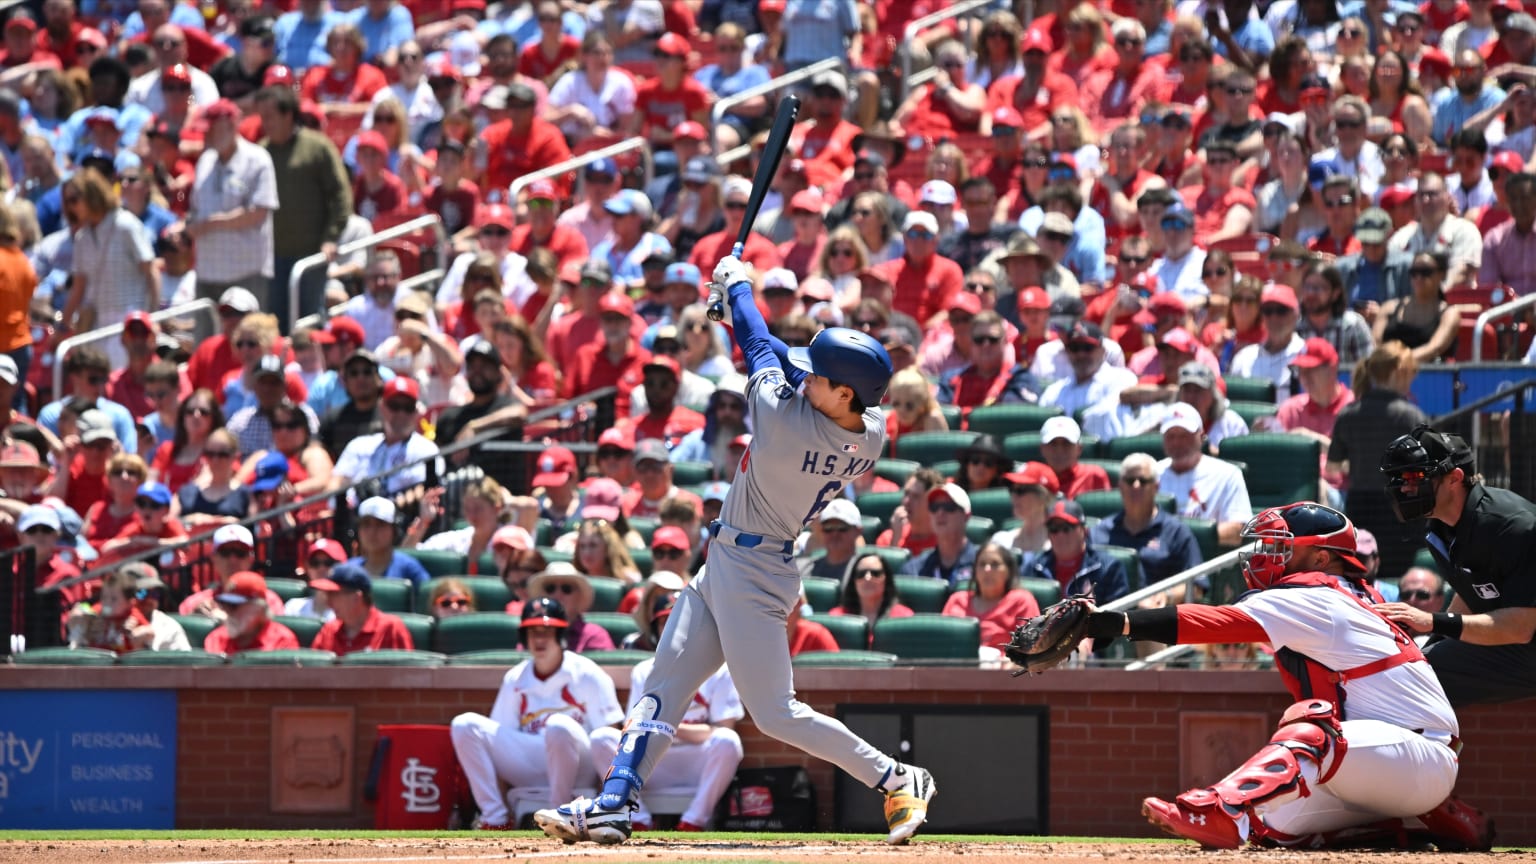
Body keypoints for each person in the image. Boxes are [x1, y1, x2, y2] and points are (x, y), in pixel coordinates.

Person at [536, 258, 936, 847]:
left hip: (753, 571)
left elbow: (760, 345)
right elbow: (784, 358)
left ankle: (897, 777)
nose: (810, 377)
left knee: (775, 712)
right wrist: (733, 313)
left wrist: (738, 287)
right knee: (662, 683)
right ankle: (613, 805)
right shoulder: (868, 427)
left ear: (843, 391)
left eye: (822, 376)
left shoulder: (783, 422)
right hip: (729, 561)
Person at [1049, 502, 1489, 851]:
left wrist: (1119, 623)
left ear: (1320, 556)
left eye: (1283, 546)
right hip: (1387, 764)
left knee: (1312, 725)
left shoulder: (1317, 593)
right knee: (1270, 827)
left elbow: (1217, 622)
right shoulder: (1353, 594)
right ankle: (1416, 825)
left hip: (1415, 753)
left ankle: (1220, 804)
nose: (1267, 554)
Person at [1377, 426, 1536, 705]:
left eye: (1415, 477)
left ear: (1455, 478)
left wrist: (1431, 621)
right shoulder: (1440, 527)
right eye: (1401, 478)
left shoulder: (1512, 526)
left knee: (1411, 679)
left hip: (1525, 638)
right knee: (1411, 666)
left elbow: (1521, 627)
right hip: (1522, 645)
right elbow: (1471, 591)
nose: (1405, 487)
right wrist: (1434, 639)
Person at [451, 596, 624, 830]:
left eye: (546, 631)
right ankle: (495, 817)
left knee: (559, 725)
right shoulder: (516, 677)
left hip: (580, 765)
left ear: (560, 635)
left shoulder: (587, 673)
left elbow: (611, 738)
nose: (539, 639)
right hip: (531, 762)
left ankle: (559, 813)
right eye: (532, 632)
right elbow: (502, 740)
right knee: (464, 724)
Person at [591, 590, 743, 832]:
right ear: (657, 629)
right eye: (665, 622)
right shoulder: (643, 670)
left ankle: (694, 821)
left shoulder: (721, 670)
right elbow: (633, 730)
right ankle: (638, 819)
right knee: (602, 738)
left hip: (697, 760)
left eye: (680, 621)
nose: (673, 628)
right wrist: (668, 727)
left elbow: (722, 729)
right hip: (654, 763)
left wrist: (668, 725)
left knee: (728, 741)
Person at [1327, 342, 1428, 582]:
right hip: (1400, 513)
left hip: (1359, 508)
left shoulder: (1349, 413)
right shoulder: (1411, 416)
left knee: (1360, 580)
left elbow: (1333, 467)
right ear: (1397, 372)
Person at [1092, 452, 1203, 590]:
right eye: (1130, 481)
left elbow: (1198, 585)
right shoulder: (1099, 532)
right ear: (1120, 486)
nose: (1136, 486)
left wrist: (1166, 597)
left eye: (1143, 481)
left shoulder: (1176, 532)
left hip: (1157, 610)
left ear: (1156, 487)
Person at [1158, 402, 1253, 546]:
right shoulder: (1150, 475)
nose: (1177, 442)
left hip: (1209, 563)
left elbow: (1237, 530)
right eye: (1171, 436)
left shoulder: (1227, 474)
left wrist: (1183, 542)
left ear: (1201, 436)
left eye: (1185, 436)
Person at [942, 542, 1041, 648]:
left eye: (995, 564)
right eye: (982, 564)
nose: (987, 569)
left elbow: (1032, 647)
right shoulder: (957, 600)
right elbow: (940, 642)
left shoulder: (1022, 601)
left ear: (1008, 571)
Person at [308, 562, 414, 655]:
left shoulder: (391, 628)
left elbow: (408, 675)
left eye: (335, 595)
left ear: (357, 597)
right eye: (328, 595)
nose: (328, 603)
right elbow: (313, 674)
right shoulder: (329, 631)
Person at [899, 482, 979, 588]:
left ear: (966, 516)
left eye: (949, 507)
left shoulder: (982, 564)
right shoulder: (914, 570)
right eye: (934, 507)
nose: (940, 513)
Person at [202, 570, 300, 654]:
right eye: (224, 604)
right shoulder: (216, 638)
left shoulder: (282, 640)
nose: (227, 611)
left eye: (233, 605)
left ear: (259, 608)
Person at [526, 562, 617, 653]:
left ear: (579, 597)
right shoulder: (532, 635)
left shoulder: (594, 636)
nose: (557, 595)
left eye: (566, 589)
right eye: (550, 588)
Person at [347, 496, 431, 587]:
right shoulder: (349, 570)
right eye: (366, 524)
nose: (372, 531)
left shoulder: (409, 569)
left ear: (394, 530)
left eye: (380, 524)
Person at [829, 552, 915, 641]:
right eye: (861, 574)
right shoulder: (837, 618)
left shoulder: (904, 618)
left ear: (886, 579)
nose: (867, 578)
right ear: (854, 581)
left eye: (875, 573)